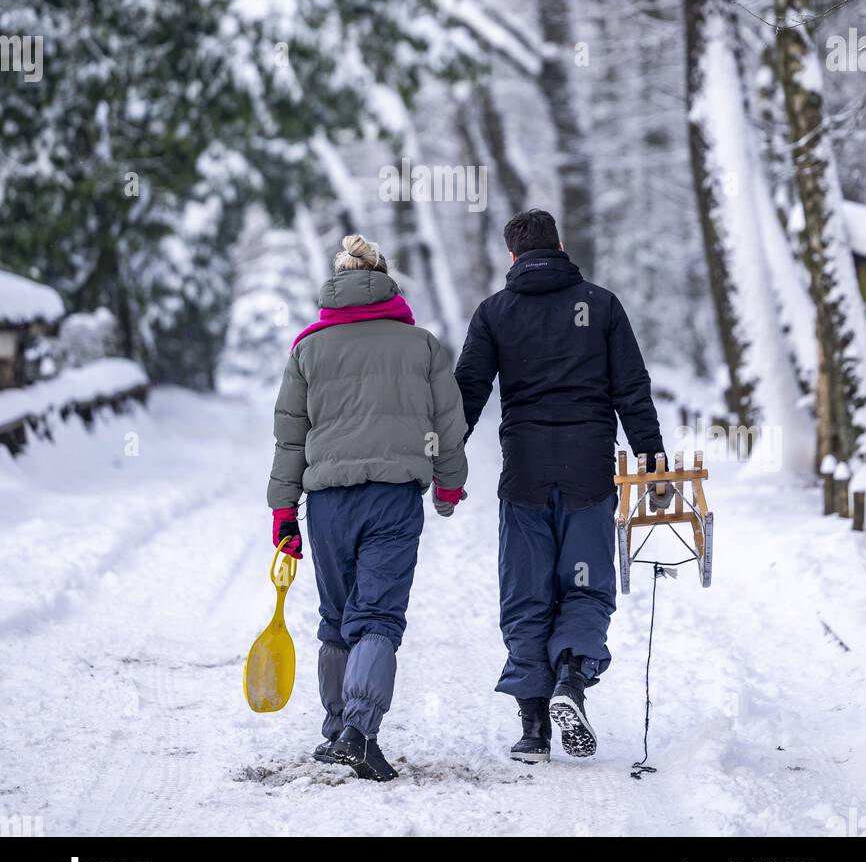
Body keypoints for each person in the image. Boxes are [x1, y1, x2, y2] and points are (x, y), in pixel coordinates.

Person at [455, 209, 665, 763]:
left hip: (523, 474)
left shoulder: (495, 312)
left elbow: (467, 393)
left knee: (527, 591)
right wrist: (652, 459)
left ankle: (532, 727)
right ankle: (571, 676)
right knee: (585, 585)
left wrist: (440, 456)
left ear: (513, 257)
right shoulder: (600, 305)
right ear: (561, 246)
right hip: (589, 475)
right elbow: (632, 391)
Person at [268, 234, 468, 782]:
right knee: (377, 616)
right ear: (386, 280)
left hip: (328, 502)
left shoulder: (307, 349)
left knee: (336, 617)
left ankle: (336, 731)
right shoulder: (421, 346)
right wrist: (449, 487)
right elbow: (448, 429)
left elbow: (290, 440)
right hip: (394, 499)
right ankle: (359, 731)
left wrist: (284, 513)